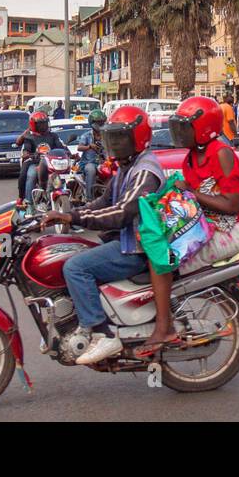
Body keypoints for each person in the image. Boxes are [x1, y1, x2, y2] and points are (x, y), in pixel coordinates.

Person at [40, 105, 167, 365]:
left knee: (75, 267)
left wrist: (73, 217)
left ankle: (101, 332)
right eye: (112, 139)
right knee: (71, 250)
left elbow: (121, 213)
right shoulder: (127, 166)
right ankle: (81, 322)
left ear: (137, 139)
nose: (114, 145)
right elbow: (103, 202)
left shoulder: (145, 171)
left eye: (120, 139)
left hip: (137, 247)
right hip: (124, 240)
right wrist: (68, 213)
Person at [141, 96, 239, 352]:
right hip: (207, 226)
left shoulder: (222, 153)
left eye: (185, 128)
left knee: (164, 261)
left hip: (232, 228)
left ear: (203, 128)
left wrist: (192, 194)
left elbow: (231, 204)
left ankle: (164, 327)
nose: (179, 133)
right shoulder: (191, 157)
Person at [17, 111, 65, 201]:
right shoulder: (29, 137)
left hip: (51, 163)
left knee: (66, 174)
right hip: (35, 163)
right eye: (40, 124)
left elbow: (60, 147)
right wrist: (28, 154)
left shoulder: (53, 136)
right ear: (34, 125)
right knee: (31, 175)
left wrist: (68, 153)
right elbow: (26, 150)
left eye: (45, 123)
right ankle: (29, 203)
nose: (43, 126)